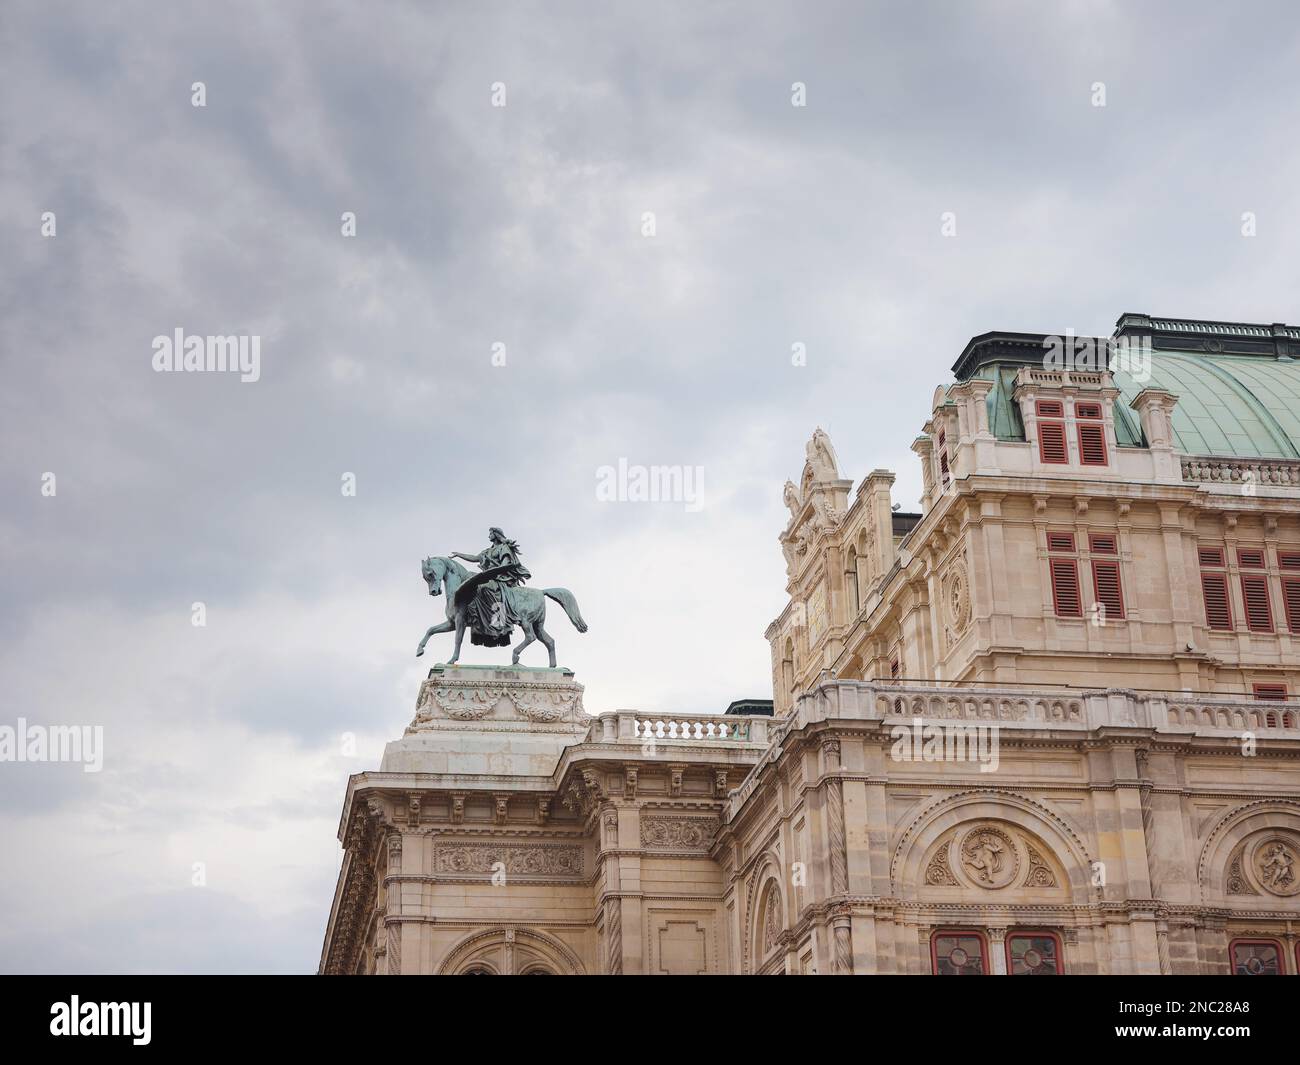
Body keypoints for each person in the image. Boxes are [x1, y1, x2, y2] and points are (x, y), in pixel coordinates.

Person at [452, 528, 532, 646]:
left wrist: (493, 570)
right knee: (473, 585)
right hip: (488, 577)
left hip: (499, 579)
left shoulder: (504, 548)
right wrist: (459, 554)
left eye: (490, 533)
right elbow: (474, 558)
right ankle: (477, 618)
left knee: (483, 588)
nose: (489, 536)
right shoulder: (487, 551)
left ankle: (496, 621)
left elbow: (505, 565)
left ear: (496, 535)